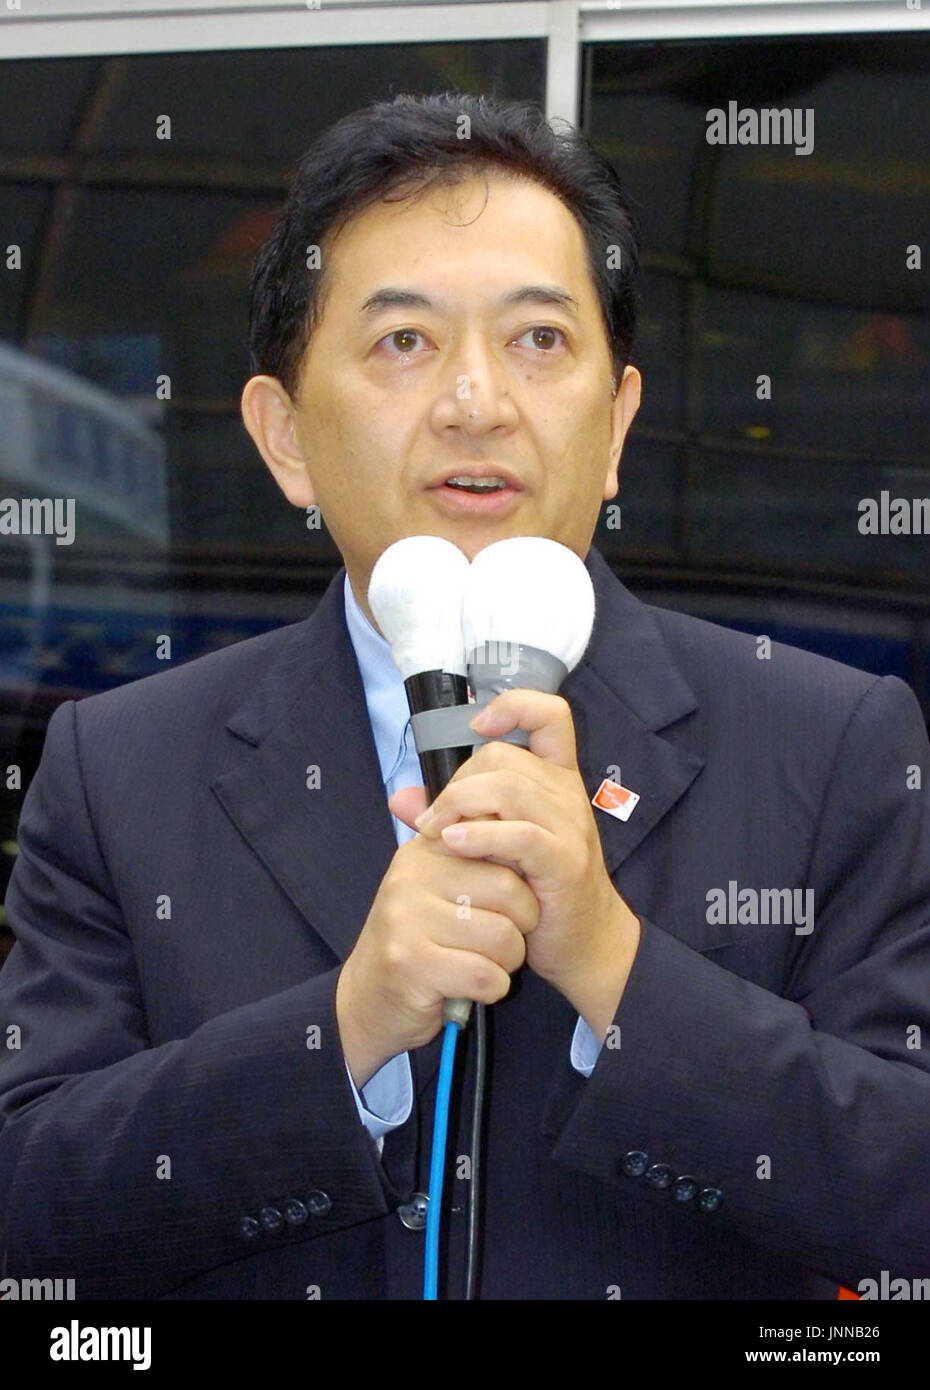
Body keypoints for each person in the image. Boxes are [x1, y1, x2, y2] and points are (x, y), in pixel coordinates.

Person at [1, 91, 929, 1301]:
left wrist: (612, 965)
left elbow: (908, 1199)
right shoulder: (115, 770)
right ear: (283, 437)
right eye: (404, 341)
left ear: (617, 423)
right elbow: (30, 1207)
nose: (477, 400)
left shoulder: (832, 744)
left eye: (540, 338)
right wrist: (346, 1028)